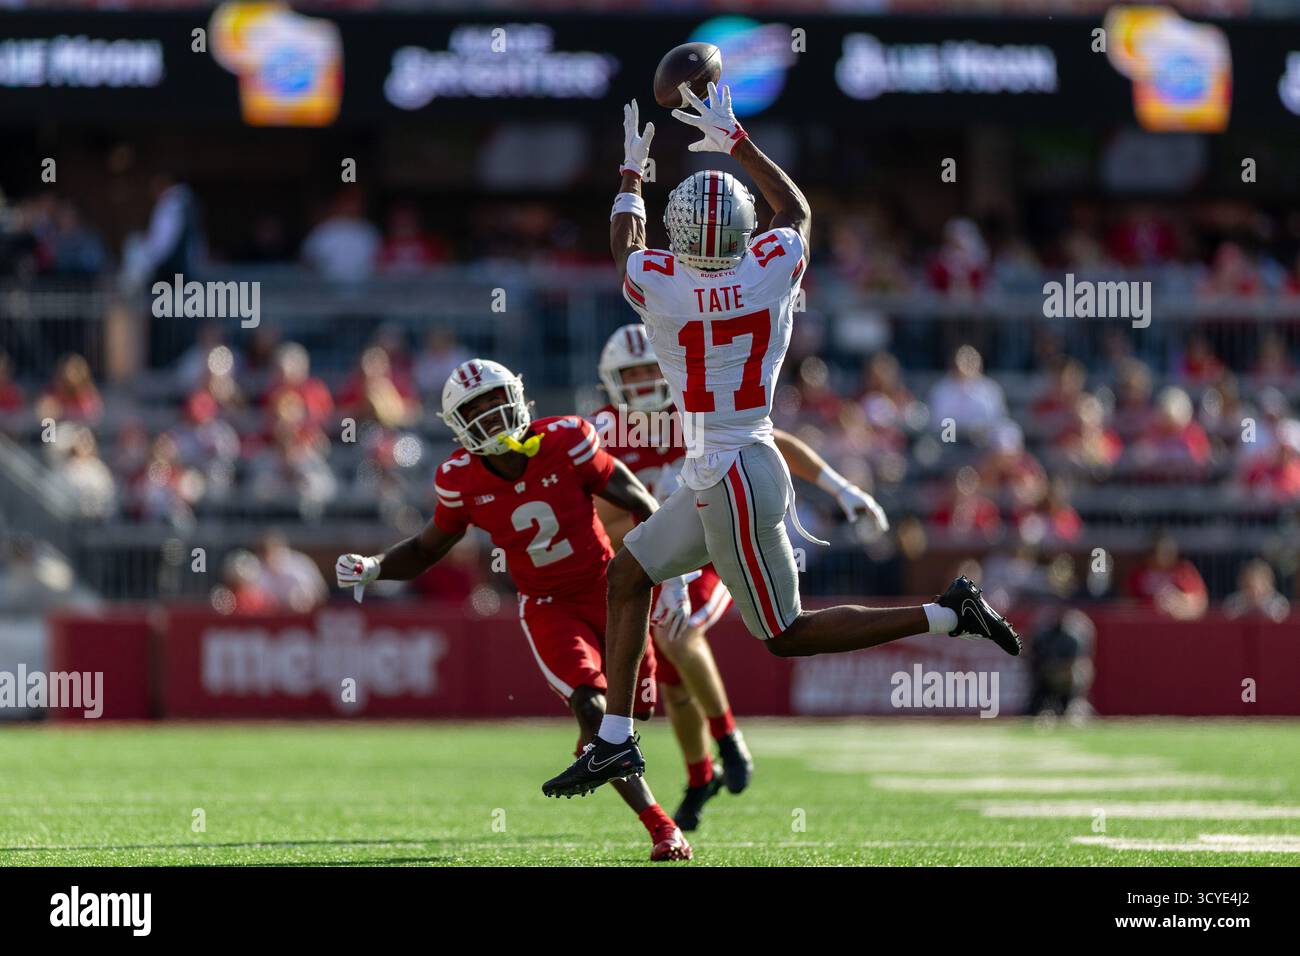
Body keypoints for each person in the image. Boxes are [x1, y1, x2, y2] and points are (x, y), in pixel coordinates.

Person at [540, 87, 1020, 799]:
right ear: (744, 231)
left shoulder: (661, 285)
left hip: (734, 473)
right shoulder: (769, 269)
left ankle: (950, 612)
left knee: (786, 633)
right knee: (629, 574)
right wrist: (735, 139)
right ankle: (616, 741)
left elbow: (624, 249)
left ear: (680, 231)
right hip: (730, 466)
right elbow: (794, 209)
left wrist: (631, 174)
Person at [335, 359, 694, 861]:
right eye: (476, 408)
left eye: (496, 400)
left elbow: (639, 499)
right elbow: (425, 549)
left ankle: (590, 746)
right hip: (549, 606)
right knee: (593, 706)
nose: (491, 414)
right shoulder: (460, 479)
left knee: (636, 712)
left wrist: (672, 577)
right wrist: (375, 566)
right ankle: (662, 827)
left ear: (518, 397)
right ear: (457, 424)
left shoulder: (567, 439)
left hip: (609, 591)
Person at [592, 322, 887, 829]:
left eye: (649, 371)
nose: (642, 384)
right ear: (610, 381)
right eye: (631, 374)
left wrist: (841, 488)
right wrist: (651, 510)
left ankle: (729, 743)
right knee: (674, 682)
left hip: (715, 549)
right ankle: (699, 775)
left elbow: (772, 444)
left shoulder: (694, 409)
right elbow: (605, 521)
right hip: (658, 559)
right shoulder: (601, 433)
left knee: (675, 634)